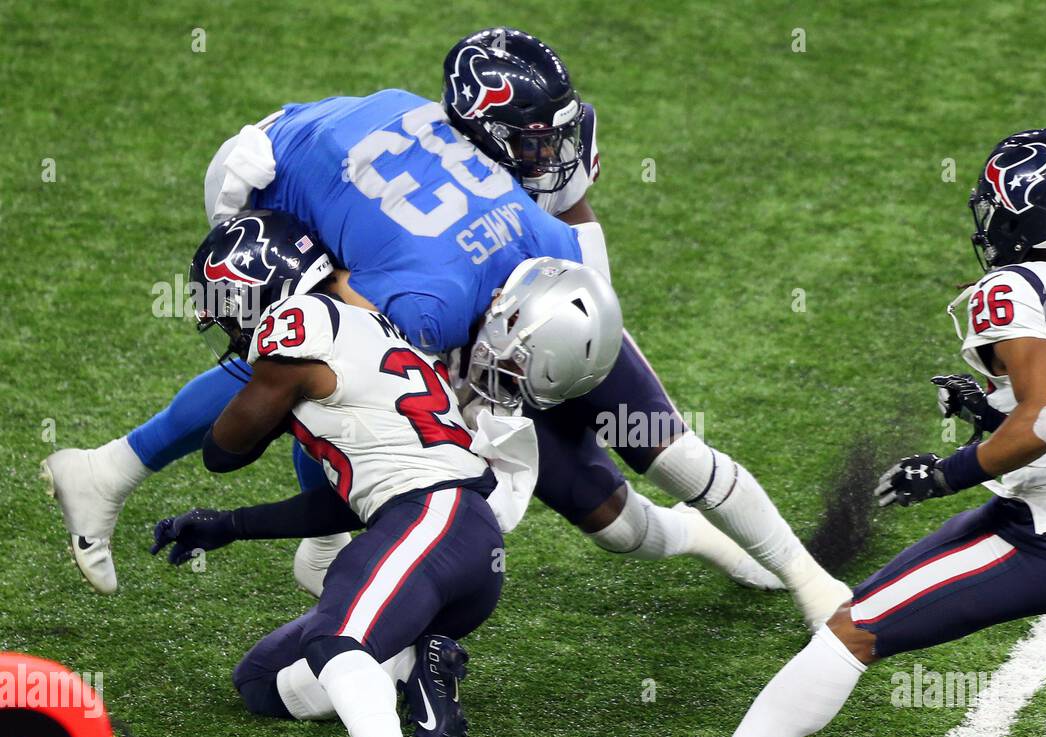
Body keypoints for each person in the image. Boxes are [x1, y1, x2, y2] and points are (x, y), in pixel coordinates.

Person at [44, 28, 848, 629]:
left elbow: (574, 233)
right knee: (302, 348)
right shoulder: (420, 305)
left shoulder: (552, 242)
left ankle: (797, 573)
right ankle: (112, 470)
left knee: (657, 458)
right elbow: (313, 358)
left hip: (437, 237)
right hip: (268, 173)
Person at [616, 129, 1046, 737]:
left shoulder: (1014, 289)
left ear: (1022, 214)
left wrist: (944, 472)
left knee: (850, 630)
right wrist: (991, 410)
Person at [151, 210, 621, 737]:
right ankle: (420, 658)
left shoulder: (297, 323)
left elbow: (223, 450)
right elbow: (350, 499)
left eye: (230, 301)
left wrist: (262, 411)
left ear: (260, 289)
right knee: (263, 682)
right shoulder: (366, 326)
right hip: (448, 535)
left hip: (432, 519)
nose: (231, 321)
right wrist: (232, 526)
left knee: (335, 636)